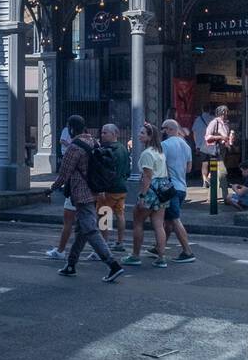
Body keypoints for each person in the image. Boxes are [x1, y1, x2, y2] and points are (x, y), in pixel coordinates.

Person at [53, 114, 125, 282]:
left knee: (91, 229)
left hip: (81, 193)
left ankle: (113, 264)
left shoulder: (74, 147)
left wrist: (52, 189)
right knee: (81, 230)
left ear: (71, 129)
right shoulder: (93, 142)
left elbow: (64, 173)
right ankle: (71, 265)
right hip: (95, 190)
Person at [122, 123, 171, 268]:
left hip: (150, 190)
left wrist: (142, 196)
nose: (139, 135)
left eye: (143, 133)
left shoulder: (147, 154)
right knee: (158, 224)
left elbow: (147, 177)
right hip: (163, 189)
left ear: (150, 136)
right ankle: (161, 257)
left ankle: (135, 255)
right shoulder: (159, 151)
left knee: (138, 222)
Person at [157, 118, 195, 262]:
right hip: (182, 186)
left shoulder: (164, 145)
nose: (162, 131)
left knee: (174, 219)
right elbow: (189, 168)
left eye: (163, 128)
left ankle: (187, 251)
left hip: (169, 186)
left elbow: (162, 167)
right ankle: (159, 247)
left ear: (169, 129)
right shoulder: (186, 146)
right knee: (168, 221)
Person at [89, 123, 130, 258]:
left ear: (114, 134)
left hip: (109, 189)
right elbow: (127, 170)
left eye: (105, 132)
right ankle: (120, 242)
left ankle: (103, 243)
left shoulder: (108, 150)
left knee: (103, 215)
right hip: (122, 187)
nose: (102, 134)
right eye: (102, 132)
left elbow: (104, 171)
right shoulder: (123, 149)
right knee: (119, 214)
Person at [204, 105, 234, 203]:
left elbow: (227, 137)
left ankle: (211, 196)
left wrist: (229, 140)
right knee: (222, 173)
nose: (226, 114)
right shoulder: (214, 122)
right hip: (216, 152)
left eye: (227, 112)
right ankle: (226, 197)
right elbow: (207, 137)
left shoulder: (226, 123)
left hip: (223, 151)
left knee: (217, 175)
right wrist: (220, 137)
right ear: (220, 112)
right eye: (224, 112)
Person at [192, 107, 215, 188]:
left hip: (201, 146)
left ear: (202, 110)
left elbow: (194, 133)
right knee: (214, 164)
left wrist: (196, 145)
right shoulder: (213, 119)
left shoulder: (197, 120)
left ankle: (204, 180)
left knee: (204, 164)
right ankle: (209, 177)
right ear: (210, 110)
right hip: (212, 145)